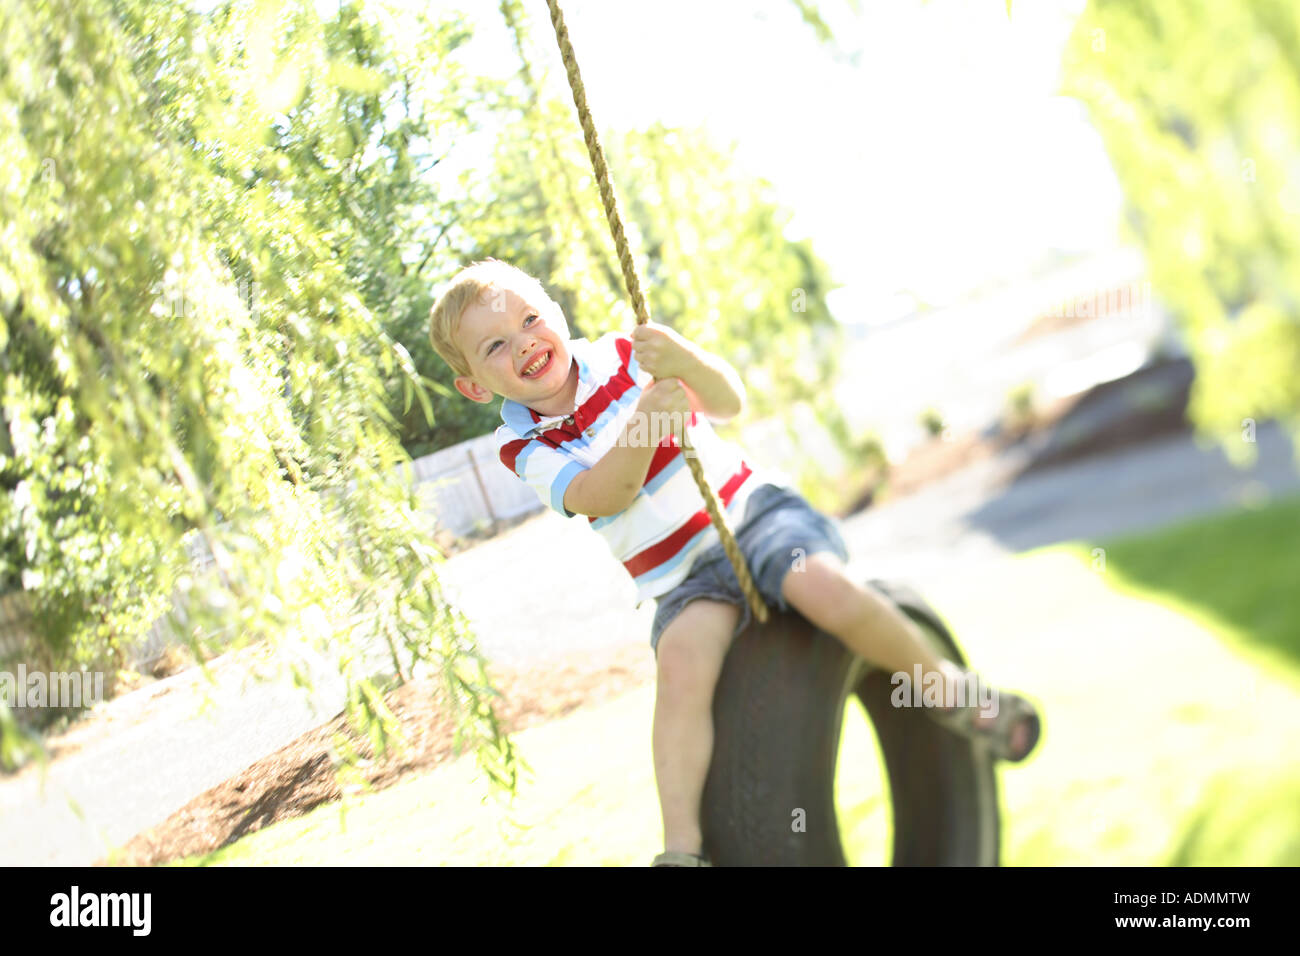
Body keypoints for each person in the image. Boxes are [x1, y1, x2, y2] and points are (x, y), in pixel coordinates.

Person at [428, 258, 1041, 867]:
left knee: (820, 589)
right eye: (496, 346)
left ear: (555, 313)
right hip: (684, 579)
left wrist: (685, 363)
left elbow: (727, 402)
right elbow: (602, 495)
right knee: (680, 670)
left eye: (531, 318)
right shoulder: (524, 447)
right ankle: (684, 851)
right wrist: (645, 423)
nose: (525, 343)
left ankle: (953, 692)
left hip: (752, 518)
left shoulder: (624, 354)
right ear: (476, 387)